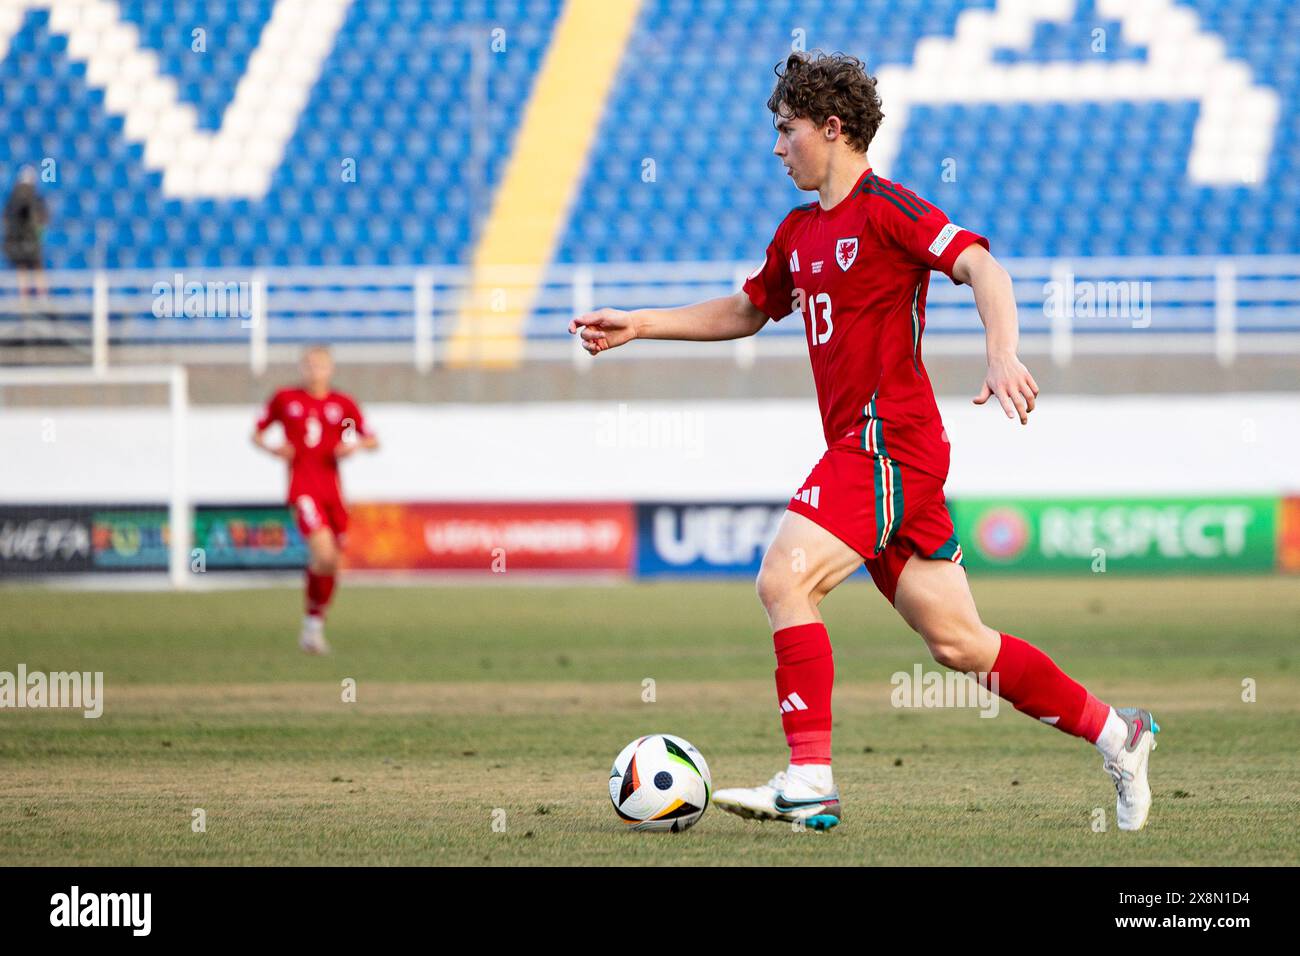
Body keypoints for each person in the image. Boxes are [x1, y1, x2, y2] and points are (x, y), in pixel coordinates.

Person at [569, 52, 1159, 831]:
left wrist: (1002, 348)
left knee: (784, 579)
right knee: (958, 643)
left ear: (832, 128)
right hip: (873, 451)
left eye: (787, 131)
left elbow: (982, 264)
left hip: (890, 442)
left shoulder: (887, 210)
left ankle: (810, 777)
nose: (777, 148)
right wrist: (641, 324)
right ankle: (1120, 733)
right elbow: (749, 310)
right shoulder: (798, 232)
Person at [253, 346, 378, 654]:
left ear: (330, 369)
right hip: (303, 489)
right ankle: (311, 627)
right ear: (301, 368)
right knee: (323, 554)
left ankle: (313, 627)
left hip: (333, 493)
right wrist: (273, 450)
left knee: (332, 563)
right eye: (309, 365)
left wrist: (354, 447)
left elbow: (371, 439)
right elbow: (256, 433)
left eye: (321, 365)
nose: (315, 371)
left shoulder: (342, 404)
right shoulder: (285, 399)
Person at [3, 166, 49, 305]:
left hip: (24, 240)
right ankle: (36, 300)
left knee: (27, 268)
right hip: (25, 239)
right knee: (30, 267)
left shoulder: (15, 200)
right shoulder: (19, 201)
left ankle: (30, 300)